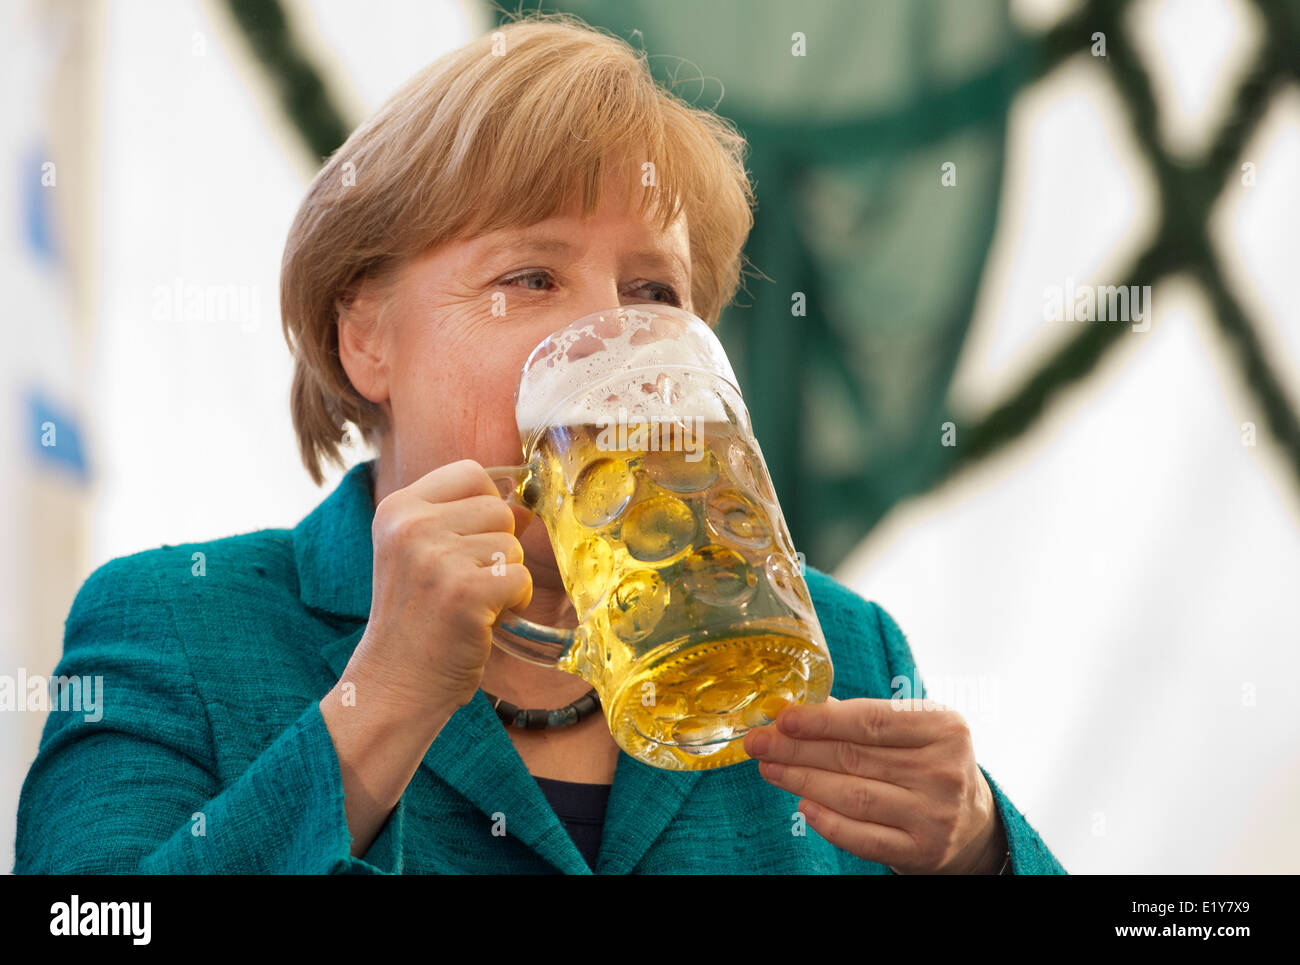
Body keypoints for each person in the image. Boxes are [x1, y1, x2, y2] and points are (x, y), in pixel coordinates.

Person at [14, 13, 1064, 875]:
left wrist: (980, 850)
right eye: (531, 277)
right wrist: (377, 706)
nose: (613, 343)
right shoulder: (180, 624)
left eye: (653, 290)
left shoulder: (840, 649)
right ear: (366, 334)